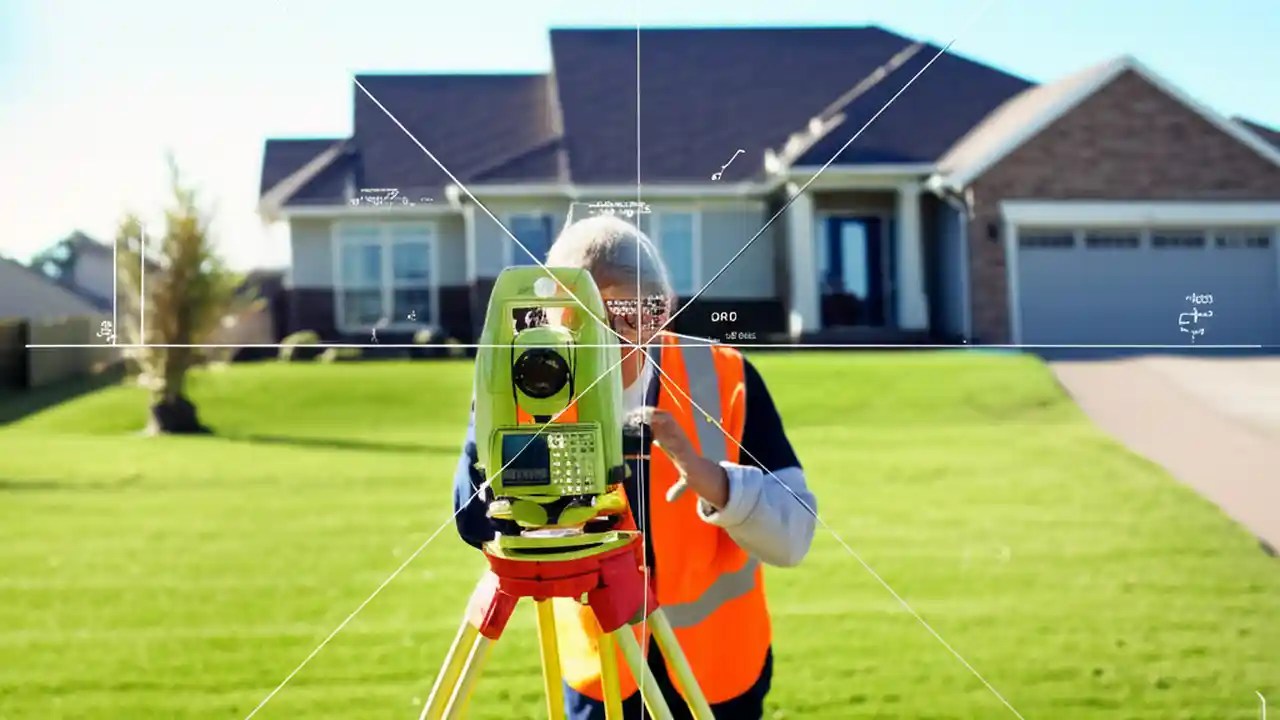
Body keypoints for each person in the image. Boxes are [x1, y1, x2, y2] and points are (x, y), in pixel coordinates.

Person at [452, 215, 817, 719]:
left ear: (661, 310)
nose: (605, 335)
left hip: (715, 674)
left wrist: (713, 481)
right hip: (601, 677)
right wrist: (492, 413)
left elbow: (794, 536)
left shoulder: (723, 376)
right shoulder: (523, 385)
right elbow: (474, 521)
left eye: (624, 313)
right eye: (578, 313)